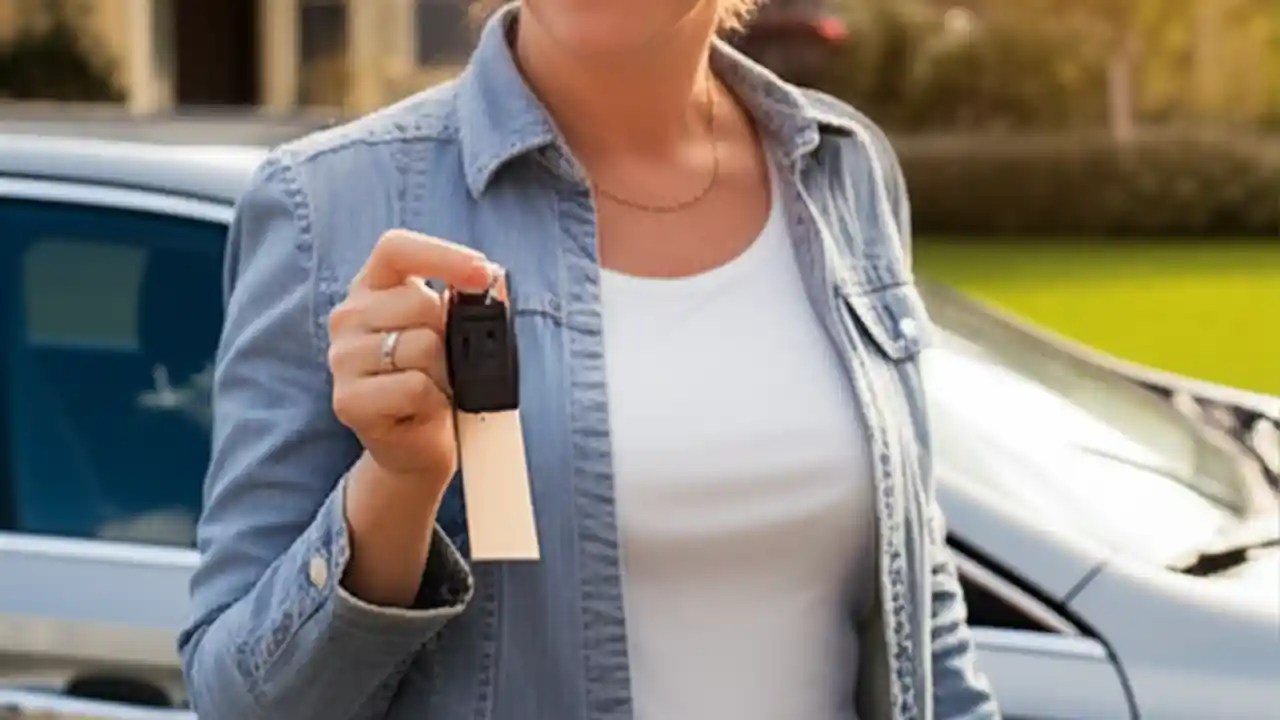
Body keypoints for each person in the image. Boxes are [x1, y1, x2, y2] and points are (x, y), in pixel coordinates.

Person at [178, 1, 999, 718]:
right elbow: (243, 702)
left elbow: (920, 620)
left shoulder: (841, 168)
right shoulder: (328, 206)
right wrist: (396, 483)